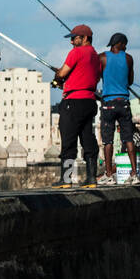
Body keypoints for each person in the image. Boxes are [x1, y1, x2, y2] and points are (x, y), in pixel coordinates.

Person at [53, 25, 102, 187]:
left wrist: (58, 76)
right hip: (89, 101)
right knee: (88, 139)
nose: (72, 42)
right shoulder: (96, 57)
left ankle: (66, 179)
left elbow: (61, 73)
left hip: (72, 103)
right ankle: (91, 178)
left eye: (74, 38)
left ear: (85, 38)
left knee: (68, 141)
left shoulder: (76, 52)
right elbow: (87, 76)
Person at [97, 33, 138, 185]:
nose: (126, 47)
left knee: (107, 141)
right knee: (128, 139)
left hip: (108, 102)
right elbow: (131, 81)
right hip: (124, 101)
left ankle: (108, 174)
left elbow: (98, 77)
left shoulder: (101, 57)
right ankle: (134, 174)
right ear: (119, 43)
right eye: (124, 44)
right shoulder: (129, 58)